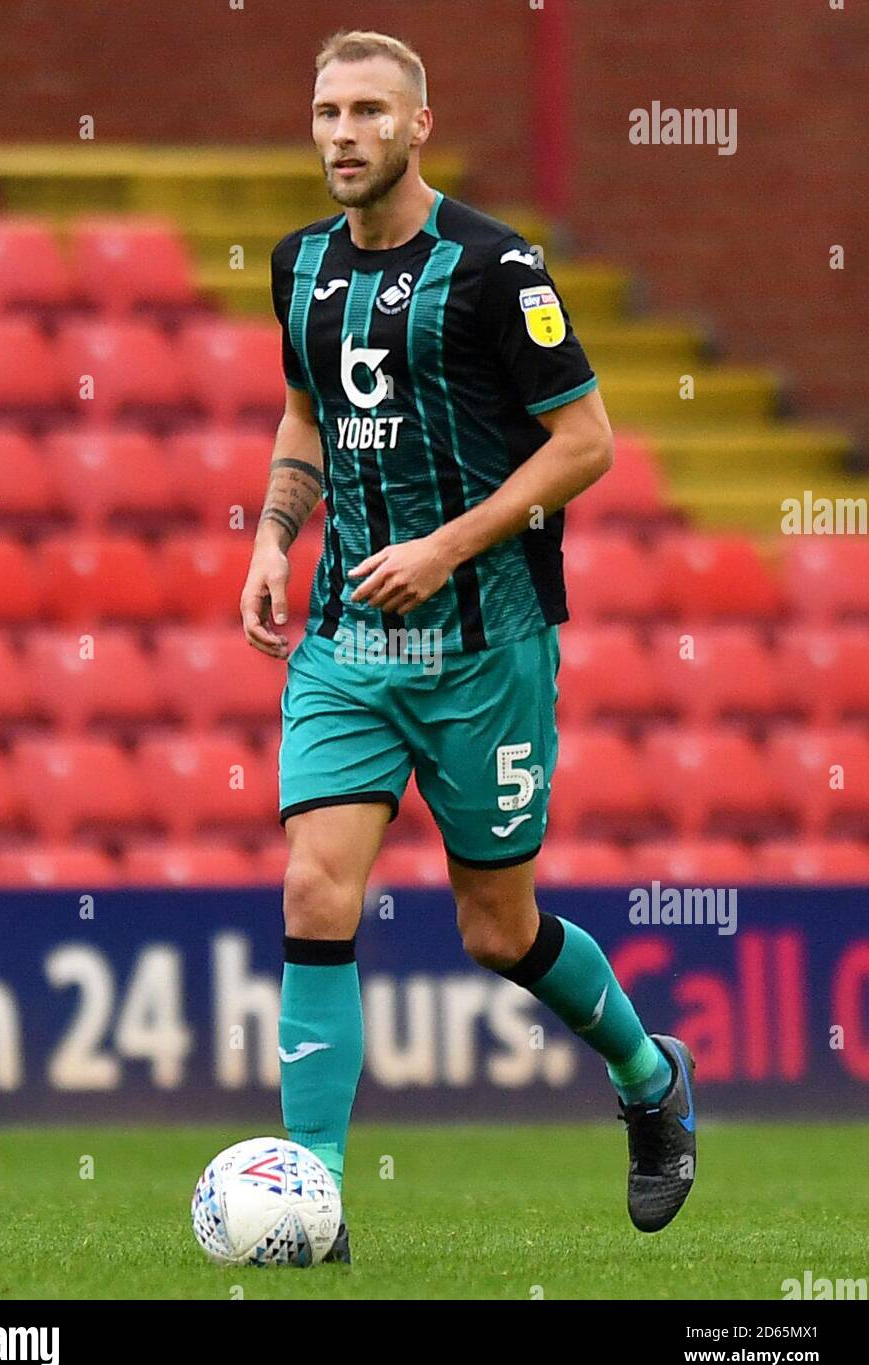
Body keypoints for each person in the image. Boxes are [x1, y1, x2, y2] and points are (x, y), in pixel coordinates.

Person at [241, 29, 696, 1264]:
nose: (342, 133)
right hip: (345, 637)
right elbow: (305, 413)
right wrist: (275, 538)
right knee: (313, 886)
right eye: (327, 109)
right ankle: (316, 1200)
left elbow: (586, 441)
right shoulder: (299, 269)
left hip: (484, 644)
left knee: (495, 931)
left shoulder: (499, 270)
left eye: (368, 112)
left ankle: (650, 1078)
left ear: (417, 125)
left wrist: (446, 546)